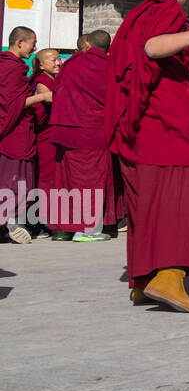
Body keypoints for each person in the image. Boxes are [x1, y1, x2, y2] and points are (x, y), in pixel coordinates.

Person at [106, 0, 189, 310]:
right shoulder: (165, 8)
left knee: (149, 205)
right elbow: (153, 48)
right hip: (168, 130)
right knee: (180, 201)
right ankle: (169, 276)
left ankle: (144, 280)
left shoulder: (134, 17)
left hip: (142, 128)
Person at [49, 32, 115, 242]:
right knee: (92, 180)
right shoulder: (109, 66)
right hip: (94, 131)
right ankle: (88, 230)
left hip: (67, 129)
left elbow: (57, 89)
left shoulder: (72, 64)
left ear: (87, 44)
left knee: (67, 180)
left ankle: (62, 229)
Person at [0, 26, 42, 244]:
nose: (34, 48)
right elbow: (13, 104)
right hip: (14, 132)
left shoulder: (11, 65)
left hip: (17, 128)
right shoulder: (11, 68)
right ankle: (12, 221)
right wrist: (43, 97)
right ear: (18, 43)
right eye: (31, 43)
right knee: (13, 179)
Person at [29, 48, 61, 237]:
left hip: (53, 136)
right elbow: (50, 99)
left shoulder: (52, 78)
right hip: (45, 137)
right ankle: (42, 220)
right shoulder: (42, 82)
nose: (58, 63)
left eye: (58, 59)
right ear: (41, 65)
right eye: (53, 60)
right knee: (46, 178)